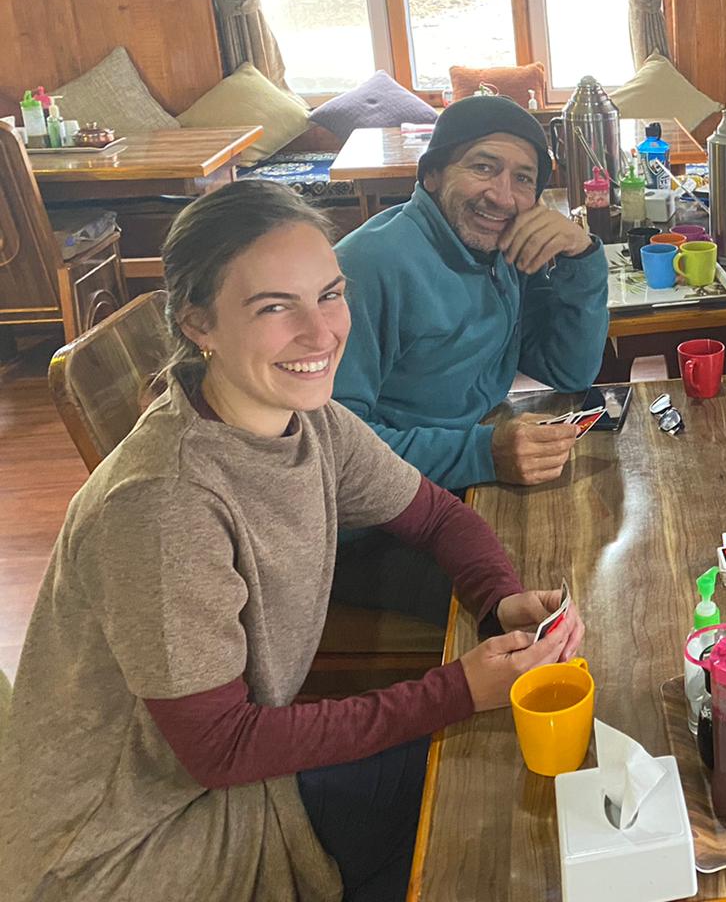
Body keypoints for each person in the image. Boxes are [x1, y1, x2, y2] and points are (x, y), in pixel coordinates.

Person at [0, 180, 584, 902]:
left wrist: (501, 599)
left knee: (511, 789)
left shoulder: (309, 421)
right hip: (134, 851)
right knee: (494, 829)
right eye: (275, 307)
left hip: (242, 782)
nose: (322, 334)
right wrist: (458, 689)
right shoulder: (164, 503)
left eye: (330, 295)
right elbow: (222, 747)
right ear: (198, 324)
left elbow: (437, 517)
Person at [332, 94, 608, 621]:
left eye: (523, 179)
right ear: (432, 174)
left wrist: (582, 257)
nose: (502, 196)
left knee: (598, 541)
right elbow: (334, 449)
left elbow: (568, 369)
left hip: (459, 491)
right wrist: (483, 452)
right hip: (370, 529)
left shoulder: (502, 250)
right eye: (483, 167)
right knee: (555, 598)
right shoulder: (367, 268)